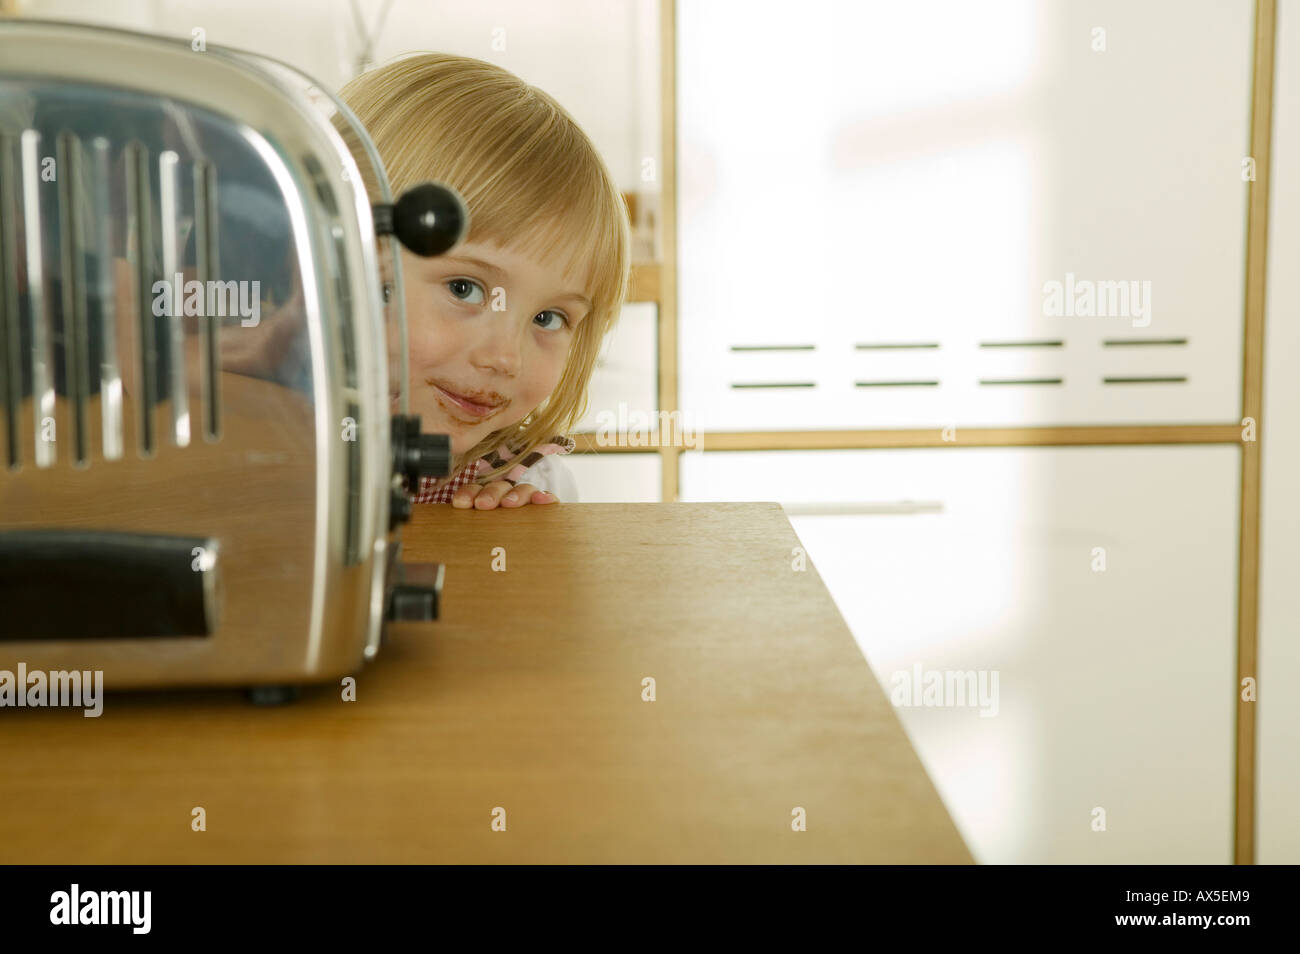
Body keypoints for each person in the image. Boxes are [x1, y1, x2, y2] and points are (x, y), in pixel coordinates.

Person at [336, 53, 630, 508]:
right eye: (464, 289)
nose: (504, 358)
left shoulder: (527, 480)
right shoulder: (244, 438)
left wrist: (520, 547)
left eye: (548, 318)